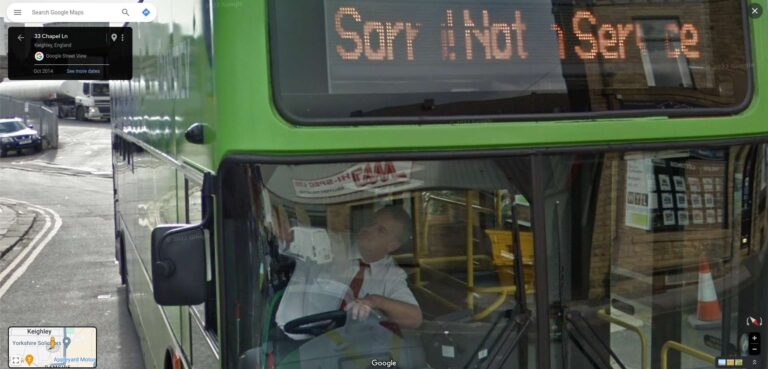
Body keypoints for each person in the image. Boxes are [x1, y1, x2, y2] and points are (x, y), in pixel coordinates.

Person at [275, 205, 422, 339]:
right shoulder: (332, 243)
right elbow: (288, 238)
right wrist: (284, 233)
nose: (368, 228)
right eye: (371, 222)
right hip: (293, 339)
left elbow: (414, 318)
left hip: (346, 350)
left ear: (393, 245)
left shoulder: (391, 274)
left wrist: (374, 301)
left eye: (380, 230)